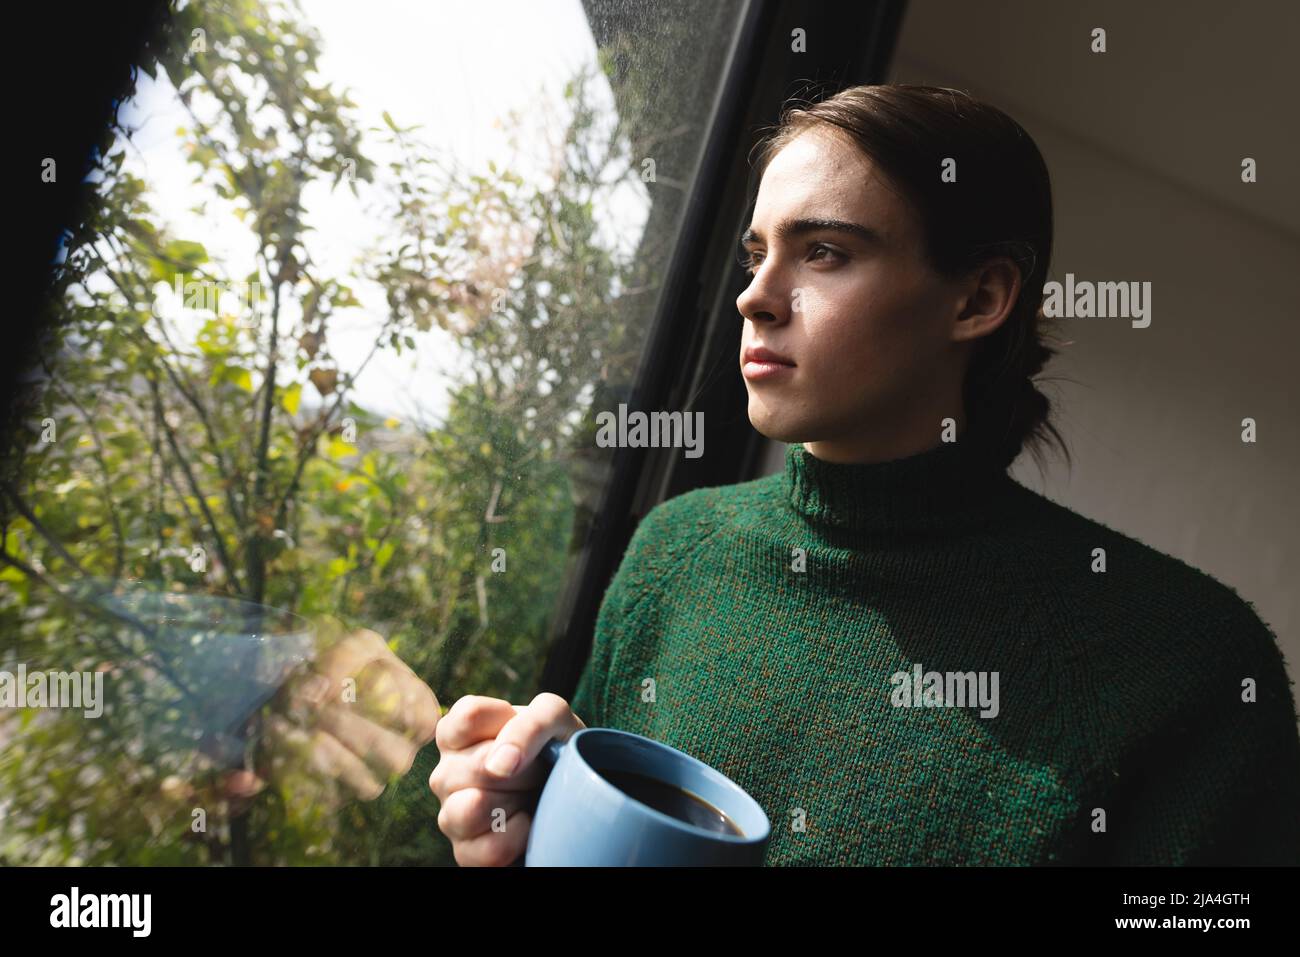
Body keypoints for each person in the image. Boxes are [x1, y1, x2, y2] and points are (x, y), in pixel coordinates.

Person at [429, 84, 1300, 866]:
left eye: (825, 253)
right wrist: (528, 828)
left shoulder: (1191, 665)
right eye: (756, 251)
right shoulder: (674, 551)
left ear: (977, 299)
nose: (755, 295)